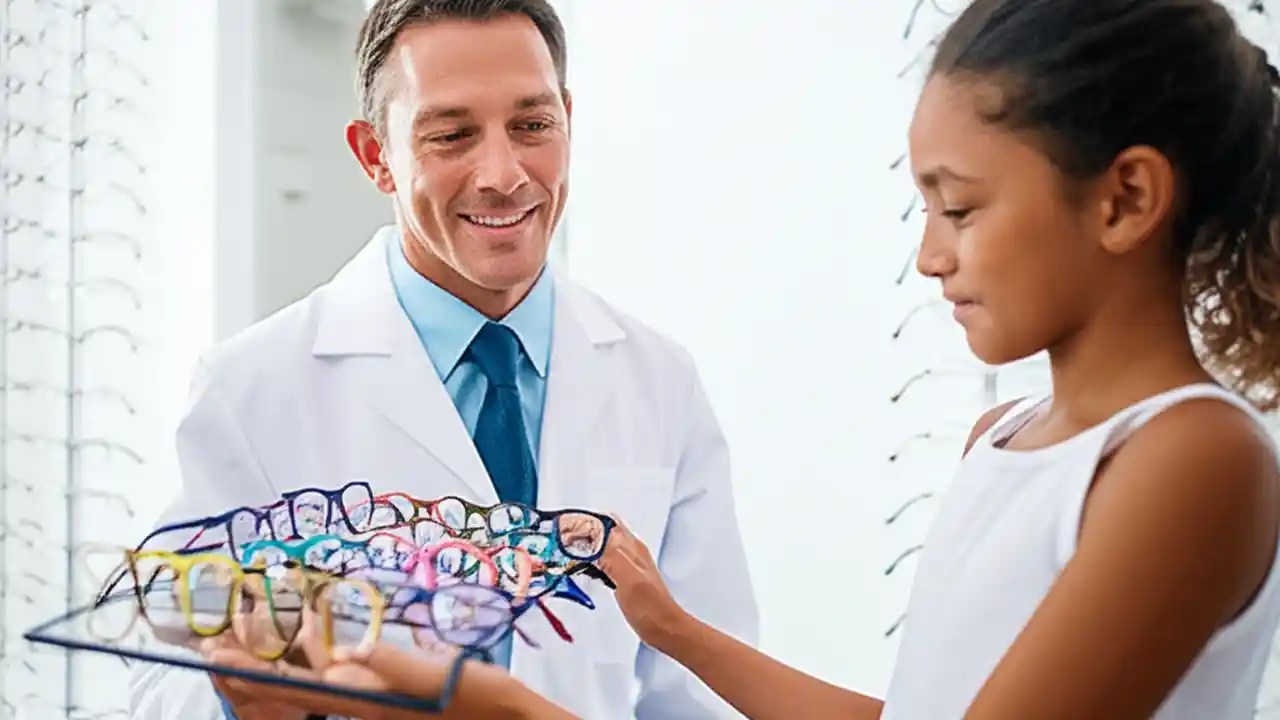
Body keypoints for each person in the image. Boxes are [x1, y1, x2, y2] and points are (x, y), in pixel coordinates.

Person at [203, 0, 1280, 717]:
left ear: (1126, 198)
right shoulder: (999, 438)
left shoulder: (1194, 461)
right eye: (447, 134)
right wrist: (671, 629)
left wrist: (490, 703)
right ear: (375, 156)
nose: (924, 254)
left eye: (958, 206)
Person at [128, 1, 758, 718]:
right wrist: (241, 697)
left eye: (532, 126)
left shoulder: (660, 381)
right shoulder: (250, 391)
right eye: (452, 135)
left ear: (568, 122)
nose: (504, 173)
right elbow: (160, 680)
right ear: (376, 157)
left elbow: (706, 690)